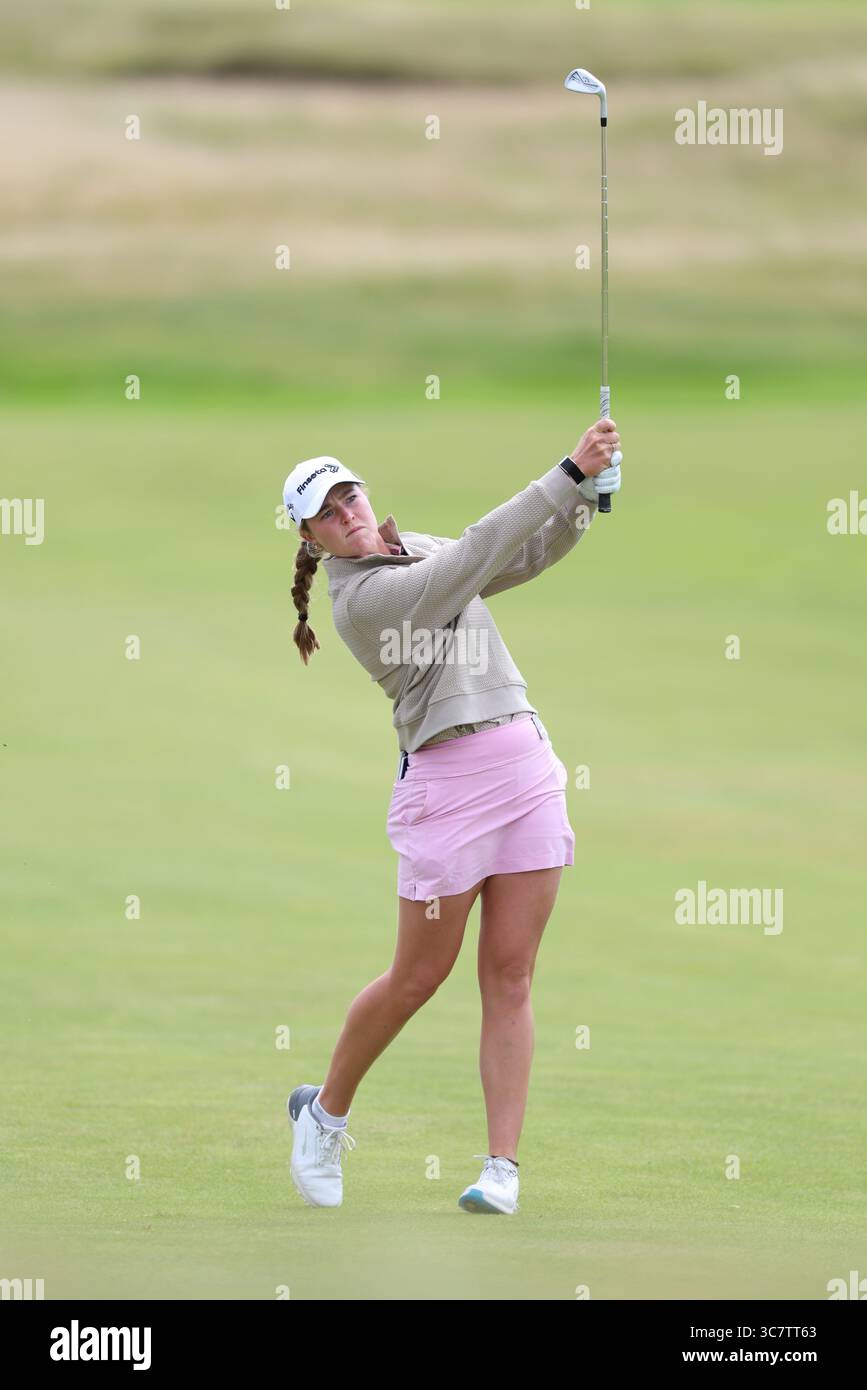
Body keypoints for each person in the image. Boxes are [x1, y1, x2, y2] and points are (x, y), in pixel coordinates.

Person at [281, 419, 622, 1214]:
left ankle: (501, 1169)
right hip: (446, 789)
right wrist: (567, 469)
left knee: (510, 974)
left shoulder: (414, 550)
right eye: (328, 512)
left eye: (351, 494)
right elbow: (474, 553)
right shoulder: (364, 599)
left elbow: (517, 554)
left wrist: (583, 501)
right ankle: (323, 1113)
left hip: (525, 767)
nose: (348, 512)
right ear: (310, 536)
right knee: (417, 978)